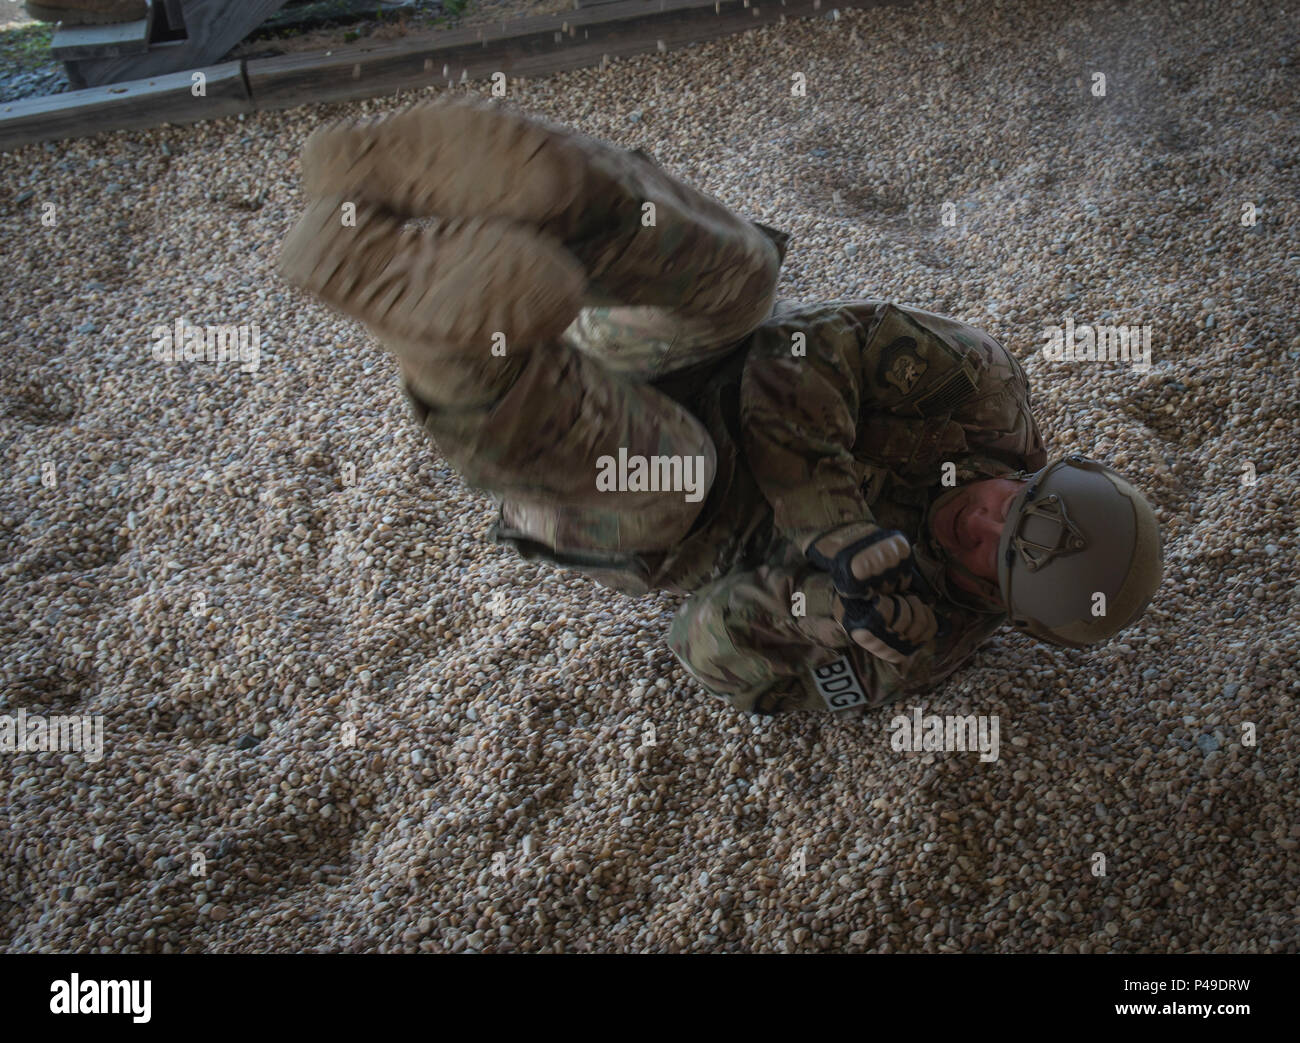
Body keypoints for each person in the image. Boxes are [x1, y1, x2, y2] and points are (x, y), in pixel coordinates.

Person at [278, 96, 1163, 718]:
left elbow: (703, 653)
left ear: (996, 601)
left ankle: (431, 323)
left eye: (994, 551)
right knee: (746, 277)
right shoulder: (982, 389)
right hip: (695, 348)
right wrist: (836, 524)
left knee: (672, 477)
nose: (984, 515)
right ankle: (495, 190)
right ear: (1042, 471)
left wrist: (805, 608)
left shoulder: (916, 640)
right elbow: (805, 347)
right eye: (1023, 500)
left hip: (666, 507)